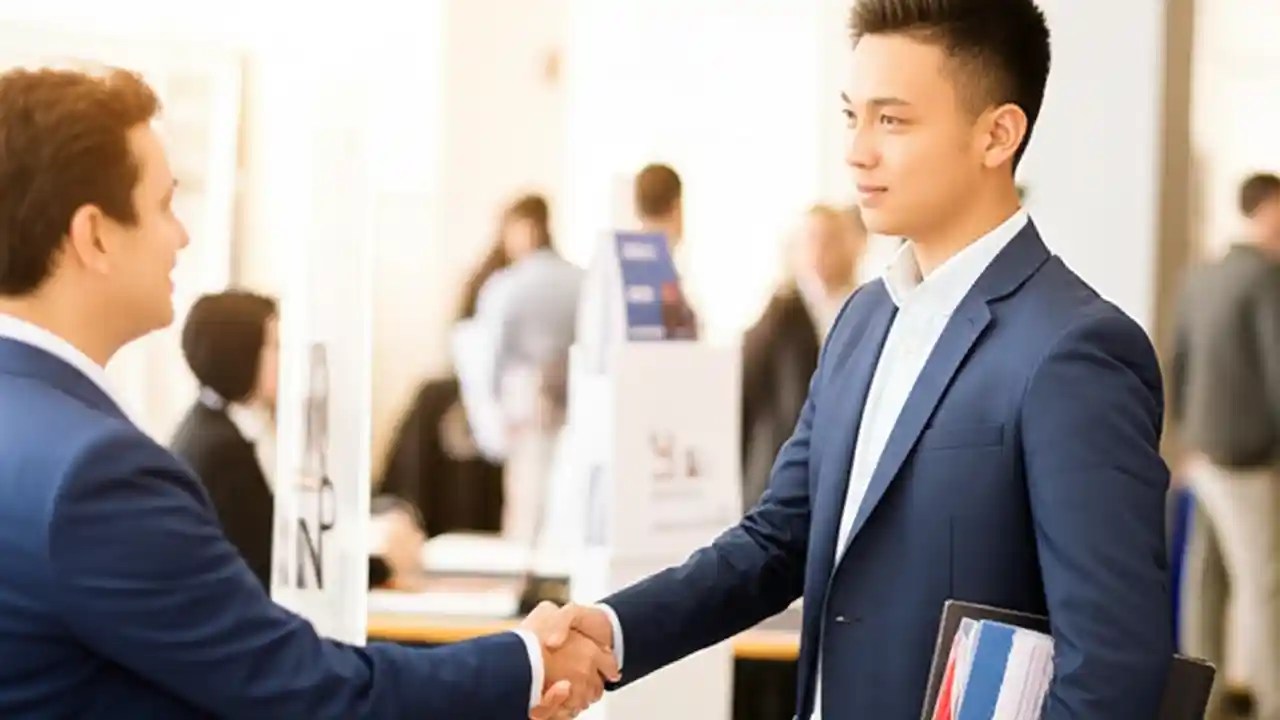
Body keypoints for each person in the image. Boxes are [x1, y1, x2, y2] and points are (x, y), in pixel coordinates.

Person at [542, 1, 1174, 717]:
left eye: (892, 120)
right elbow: (778, 540)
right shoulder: (864, 319)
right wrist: (615, 630)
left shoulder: (1074, 348)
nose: (857, 151)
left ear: (998, 134)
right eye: (852, 116)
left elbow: (1113, 666)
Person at [0, 66, 615, 719]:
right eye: (162, 206)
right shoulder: (97, 472)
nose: (181, 235)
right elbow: (304, 691)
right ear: (94, 235)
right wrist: (525, 663)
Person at [1172, 172, 1280, 719]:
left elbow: (1178, 364)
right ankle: (1273, 700)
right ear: (1267, 211)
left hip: (1203, 453)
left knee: (1204, 583)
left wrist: (1184, 440)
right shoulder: (1266, 278)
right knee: (1265, 585)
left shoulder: (1200, 277)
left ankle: (1204, 701)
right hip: (1250, 458)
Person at [742, 204, 865, 509]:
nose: (820, 251)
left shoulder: (869, 309)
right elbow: (746, 395)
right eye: (812, 240)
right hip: (781, 480)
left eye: (830, 239)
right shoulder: (779, 315)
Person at [170, 290, 280, 589]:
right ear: (242, 352)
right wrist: (382, 565)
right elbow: (270, 561)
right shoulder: (223, 450)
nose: (287, 360)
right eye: (276, 347)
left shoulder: (211, 422)